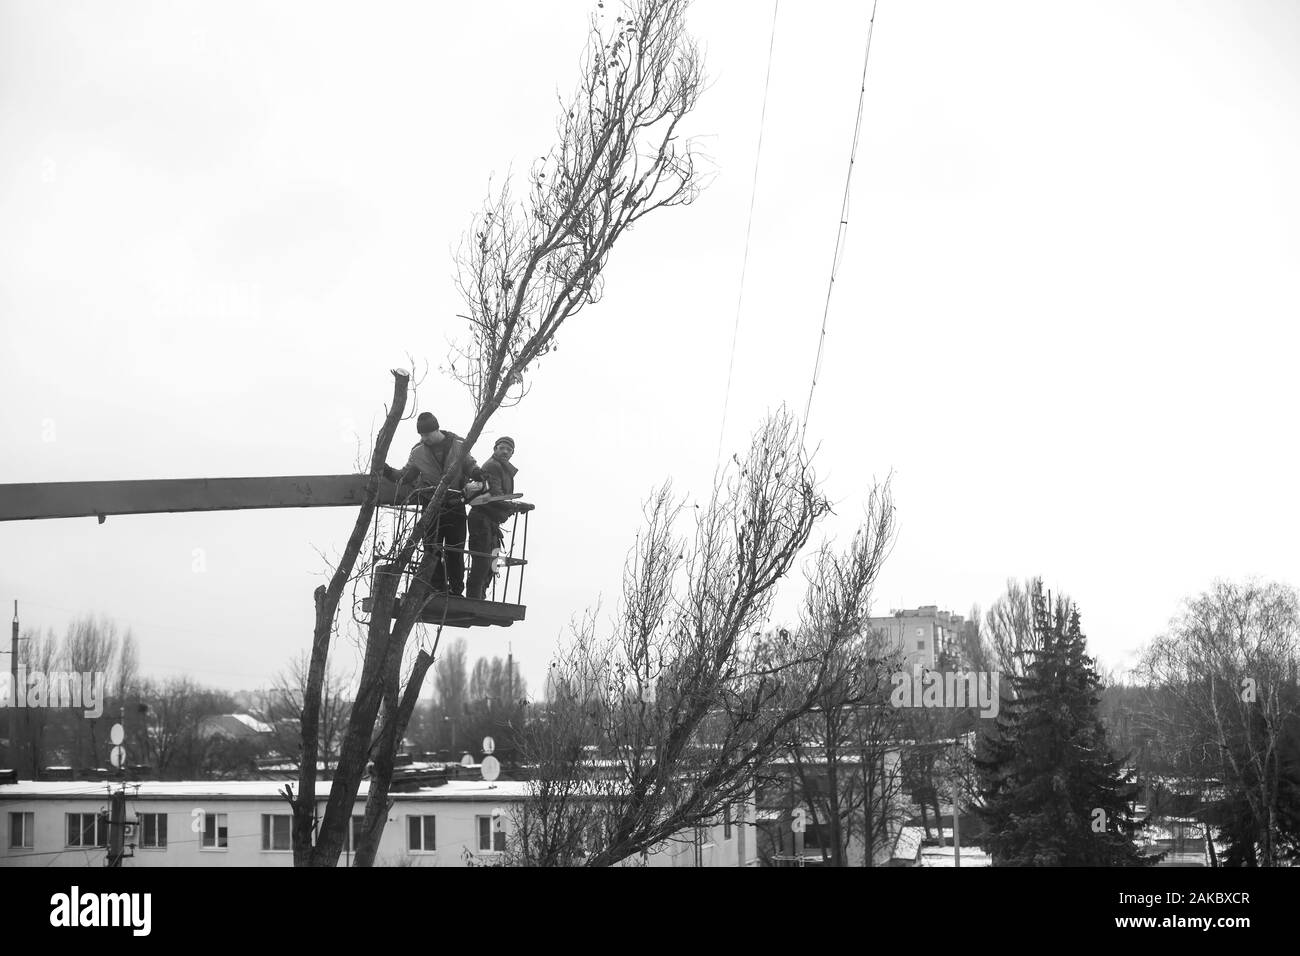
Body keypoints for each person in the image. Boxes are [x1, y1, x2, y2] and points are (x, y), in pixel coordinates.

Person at [397, 412, 480, 596]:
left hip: (455, 504)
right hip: (431, 507)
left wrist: (478, 474)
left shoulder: (458, 446)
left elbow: (469, 465)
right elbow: (406, 475)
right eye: (422, 436)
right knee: (431, 549)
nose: (424, 439)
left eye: (427, 435)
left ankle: (456, 590)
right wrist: (388, 472)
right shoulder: (418, 452)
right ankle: (436, 588)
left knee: (455, 550)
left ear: (436, 430)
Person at [465, 436, 529, 601]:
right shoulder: (492, 466)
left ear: (512, 453)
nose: (505, 451)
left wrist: (516, 505)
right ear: (495, 449)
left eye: (509, 450)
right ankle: (474, 599)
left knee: (492, 563)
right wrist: (515, 506)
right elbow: (496, 494)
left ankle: (480, 596)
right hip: (481, 518)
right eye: (502, 448)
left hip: (492, 522)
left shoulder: (505, 469)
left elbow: (502, 497)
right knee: (482, 562)